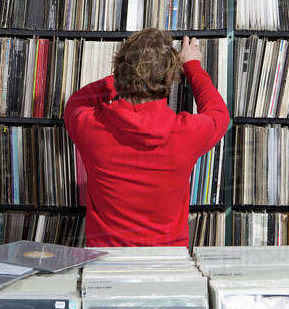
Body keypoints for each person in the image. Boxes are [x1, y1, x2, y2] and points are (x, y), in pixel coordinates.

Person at [63, 28, 230, 247]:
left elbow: (76, 101)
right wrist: (192, 65)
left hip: (105, 264)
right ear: (169, 77)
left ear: (120, 71)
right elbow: (219, 114)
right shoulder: (187, 133)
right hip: (167, 264)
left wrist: (127, 75)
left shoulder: (90, 126)